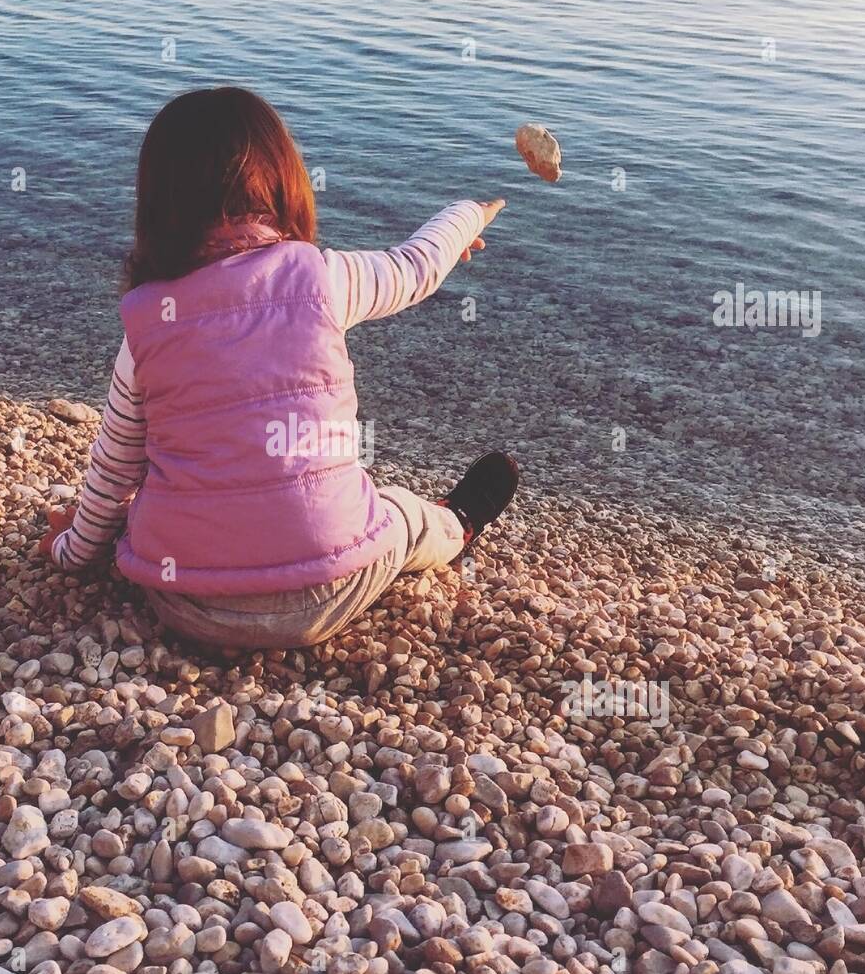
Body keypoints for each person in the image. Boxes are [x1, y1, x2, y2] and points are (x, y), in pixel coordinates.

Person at [42, 86, 518, 646]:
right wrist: (468, 215)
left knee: (158, 489)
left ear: (156, 205)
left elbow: (114, 468)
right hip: (332, 588)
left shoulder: (148, 323)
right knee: (400, 515)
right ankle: (457, 522)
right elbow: (416, 267)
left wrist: (73, 551)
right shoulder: (324, 278)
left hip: (188, 601)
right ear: (286, 183)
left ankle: (193, 542)